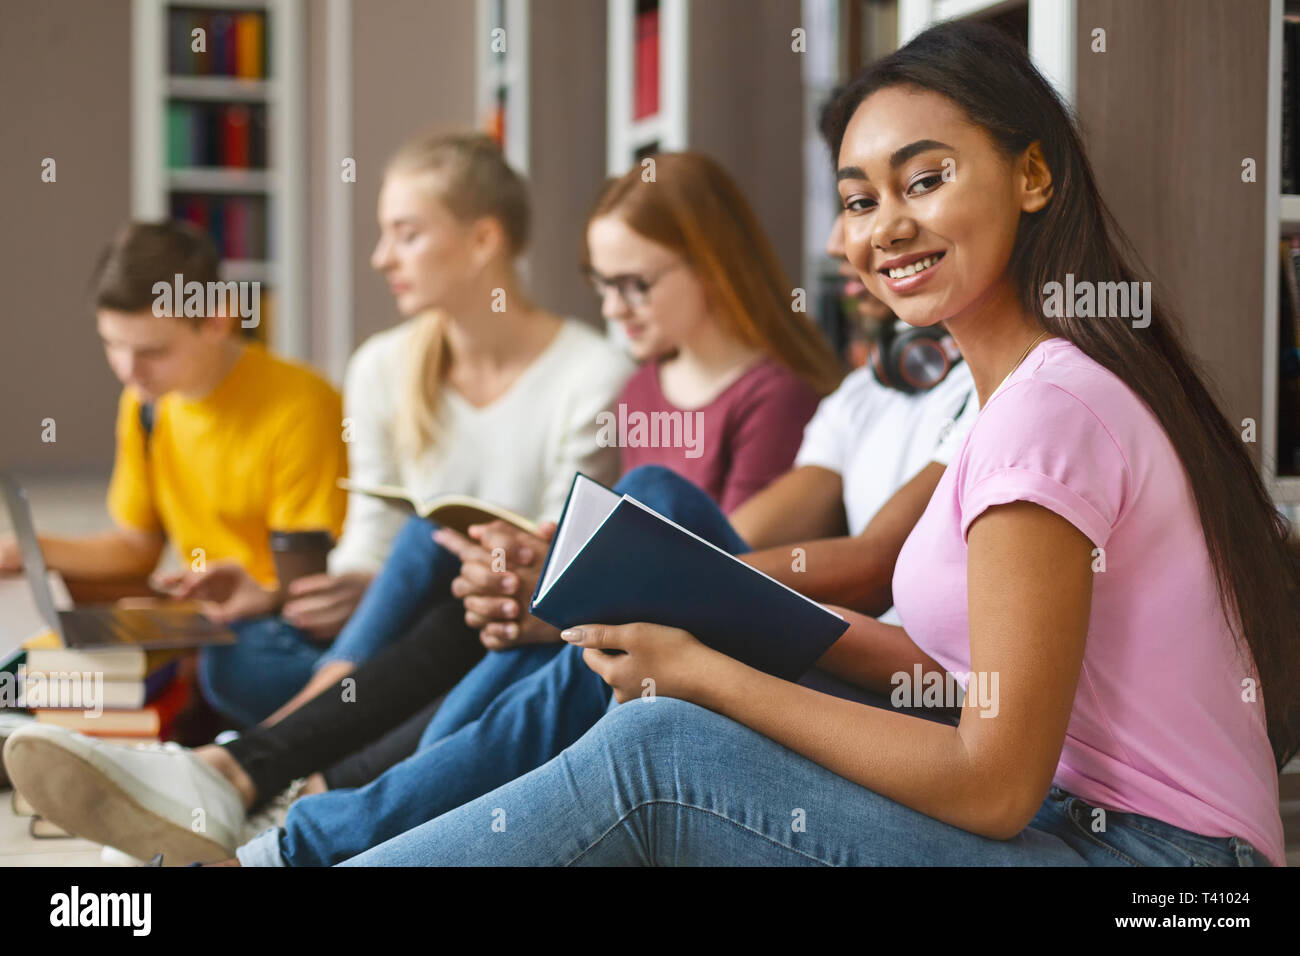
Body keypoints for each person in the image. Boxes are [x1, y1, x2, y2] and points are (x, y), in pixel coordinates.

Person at [333, 19, 1298, 866]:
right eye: (860, 197)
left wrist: (706, 673)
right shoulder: (1018, 397)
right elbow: (943, 671)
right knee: (666, 721)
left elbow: (993, 784)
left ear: (1034, 174)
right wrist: (695, 623)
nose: (886, 226)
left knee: (660, 755)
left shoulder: (1049, 410)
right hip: (1084, 825)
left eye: (925, 179)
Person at [1, 185, 983, 866]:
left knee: (628, 525)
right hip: (707, 629)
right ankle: (274, 792)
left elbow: (833, 563)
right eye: (855, 204)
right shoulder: (852, 394)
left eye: (634, 283)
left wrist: (600, 578)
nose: (869, 239)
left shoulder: (825, 393)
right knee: (505, 575)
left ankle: (273, 788)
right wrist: (586, 576)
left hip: (857, 673)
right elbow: (754, 546)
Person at [172, 130, 634, 725]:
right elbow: (371, 538)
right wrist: (307, 595)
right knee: (237, 658)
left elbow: (555, 555)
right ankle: (342, 728)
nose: (381, 257)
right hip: (397, 626)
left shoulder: (593, 373)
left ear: (482, 240)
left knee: (445, 582)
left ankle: (295, 735)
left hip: (499, 625)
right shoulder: (380, 366)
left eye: (406, 234)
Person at [0, 221, 350, 707]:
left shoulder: (301, 407)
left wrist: (180, 622)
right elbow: (136, 546)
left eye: (152, 351)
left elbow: (306, 592)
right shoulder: (146, 404)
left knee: (237, 668)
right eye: (112, 344)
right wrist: (25, 552)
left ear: (217, 321)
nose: (127, 369)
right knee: (42, 628)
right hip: (198, 612)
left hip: (276, 621)